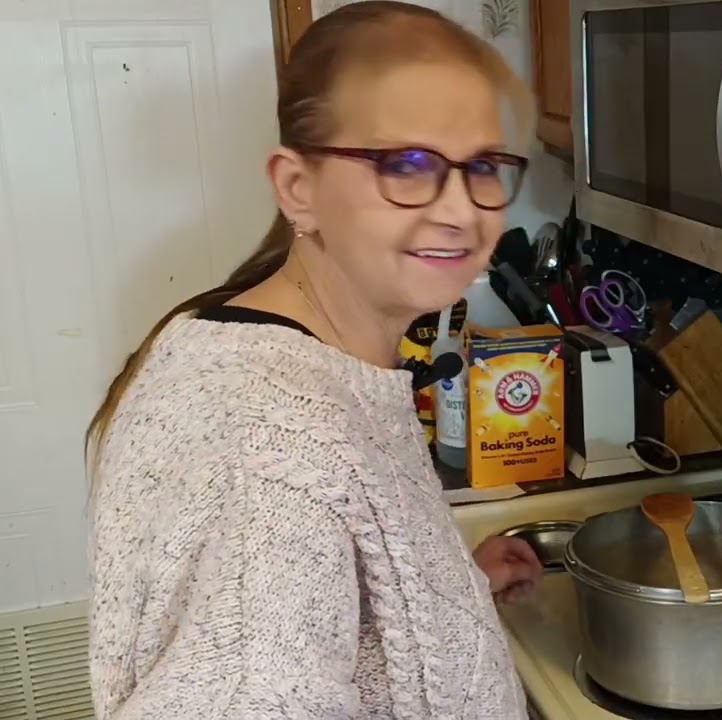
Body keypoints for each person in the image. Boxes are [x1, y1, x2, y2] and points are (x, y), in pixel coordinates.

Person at [86, 3, 543, 717]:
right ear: (298, 188)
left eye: (481, 165)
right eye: (407, 163)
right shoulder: (273, 449)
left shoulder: (285, 351)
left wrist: (444, 597)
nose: (460, 209)